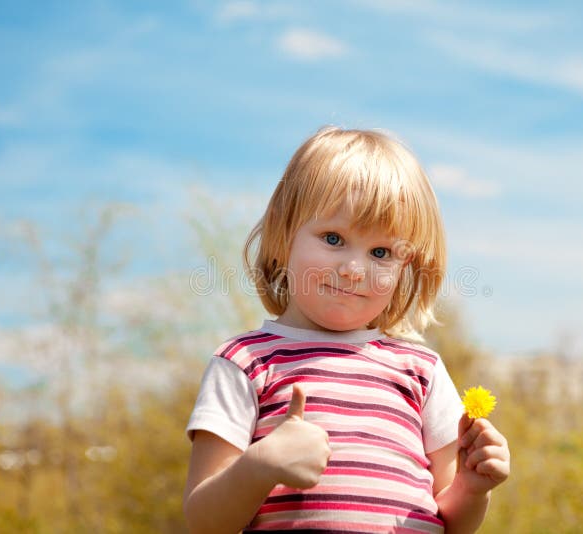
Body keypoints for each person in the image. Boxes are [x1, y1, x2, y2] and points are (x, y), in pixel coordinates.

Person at [183, 126, 510, 533]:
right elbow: (202, 521)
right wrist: (259, 465)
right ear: (284, 237)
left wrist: (473, 489)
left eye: (381, 252)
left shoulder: (421, 371)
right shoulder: (245, 363)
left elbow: (451, 521)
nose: (353, 270)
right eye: (333, 238)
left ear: (405, 268)